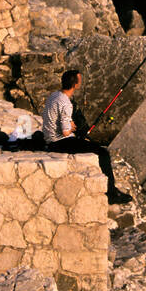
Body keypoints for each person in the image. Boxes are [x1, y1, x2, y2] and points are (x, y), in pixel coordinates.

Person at [42, 69, 131, 205]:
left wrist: (68, 125)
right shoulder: (66, 103)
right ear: (76, 84)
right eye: (80, 80)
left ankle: (112, 190)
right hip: (60, 142)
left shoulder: (54, 96)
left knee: (89, 144)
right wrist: (70, 127)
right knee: (103, 153)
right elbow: (66, 132)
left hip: (49, 138)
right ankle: (111, 193)